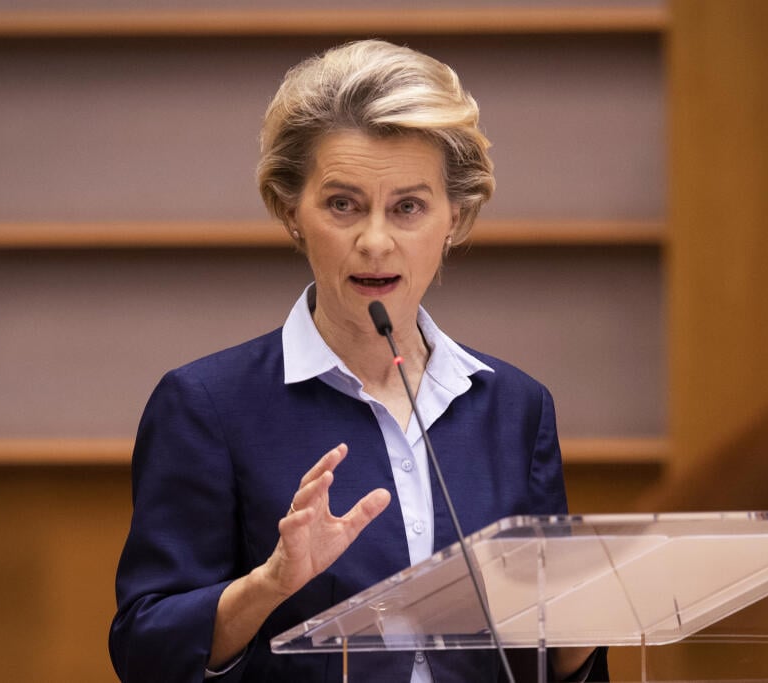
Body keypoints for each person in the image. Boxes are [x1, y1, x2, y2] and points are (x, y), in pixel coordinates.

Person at [109, 39, 606, 682]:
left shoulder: (514, 406)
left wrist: (585, 621)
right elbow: (144, 649)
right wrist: (269, 583)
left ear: (454, 217)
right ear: (291, 212)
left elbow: (549, 656)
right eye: (342, 204)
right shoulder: (208, 405)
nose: (375, 241)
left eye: (409, 207)